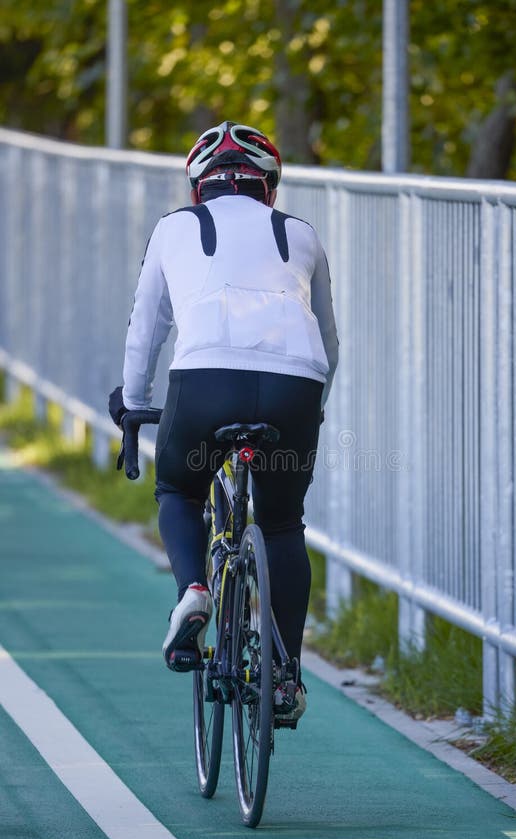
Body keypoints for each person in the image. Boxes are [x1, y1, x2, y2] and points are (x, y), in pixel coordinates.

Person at [109, 120, 338, 723]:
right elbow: (331, 344)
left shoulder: (173, 229)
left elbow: (147, 327)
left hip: (206, 377)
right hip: (297, 380)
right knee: (284, 525)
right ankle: (285, 677)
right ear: (270, 190)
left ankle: (195, 591)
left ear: (197, 190)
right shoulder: (302, 234)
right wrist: (312, 407)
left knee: (178, 488)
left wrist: (133, 402)